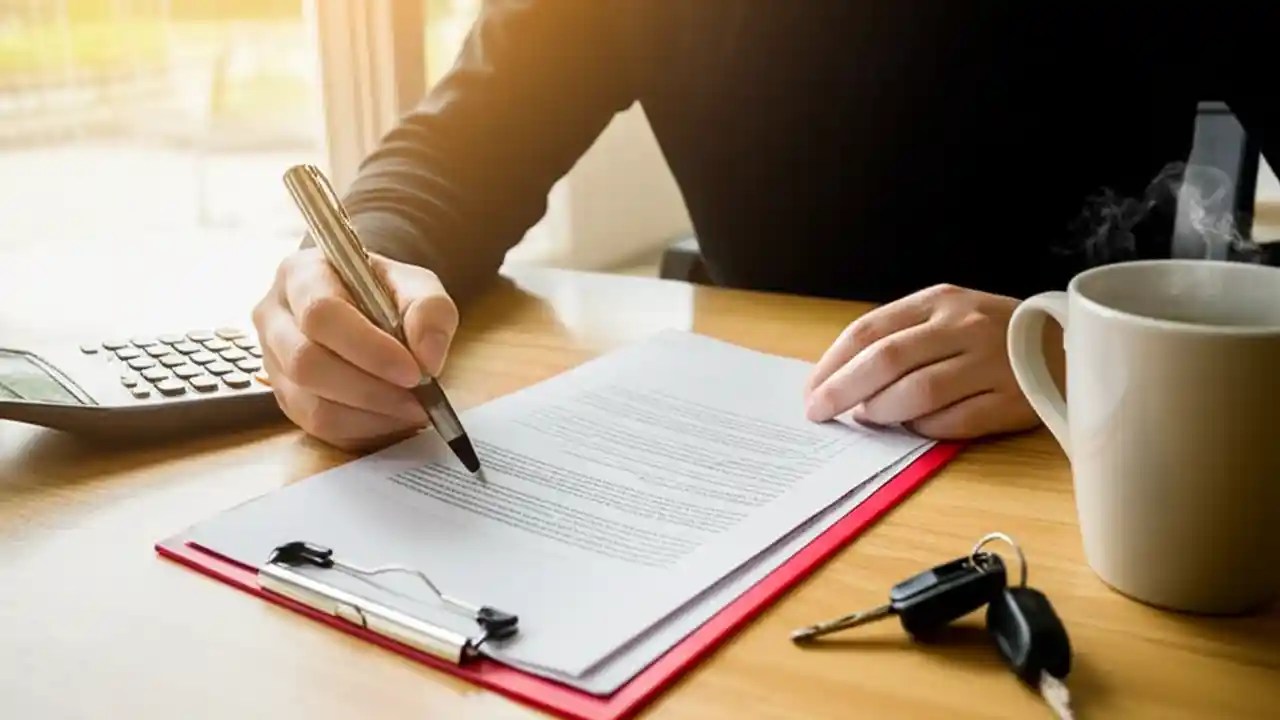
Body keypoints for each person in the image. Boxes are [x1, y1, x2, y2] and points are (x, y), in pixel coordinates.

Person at [252, 2, 1277, 452]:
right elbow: (456, 150)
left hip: (1110, 467)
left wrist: (1088, 347)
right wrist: (356, 265)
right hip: (774, 457)